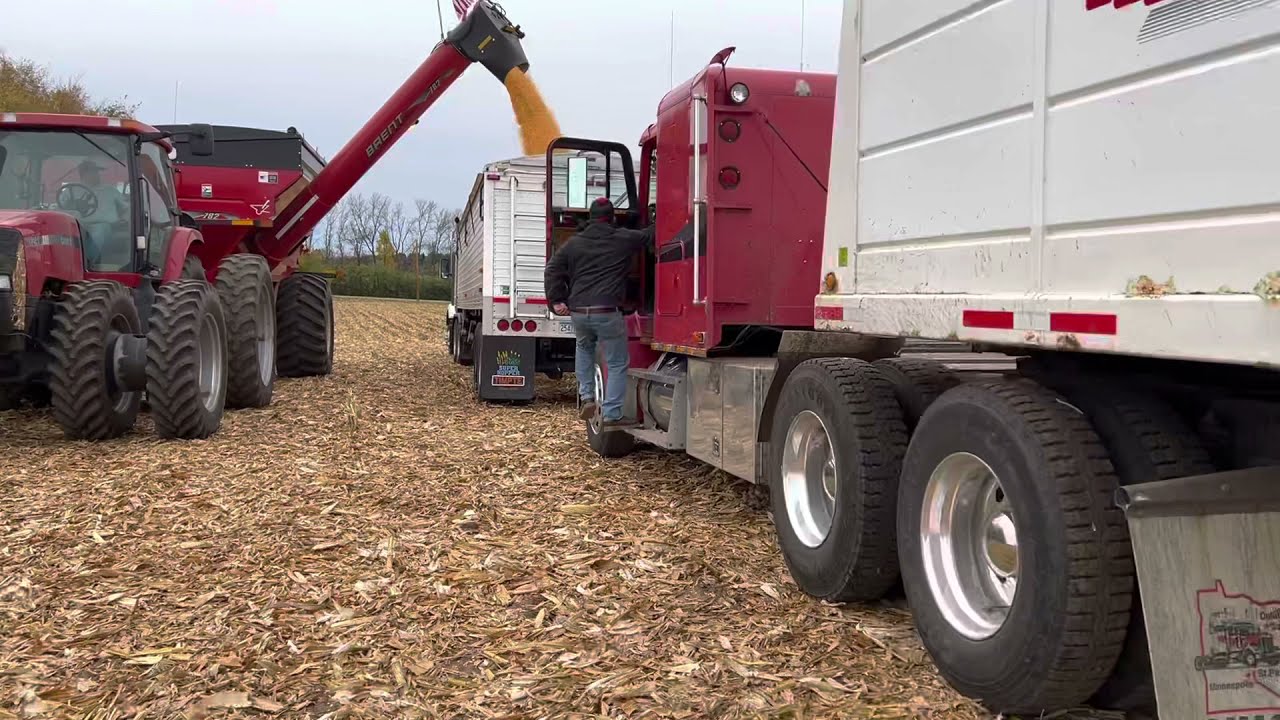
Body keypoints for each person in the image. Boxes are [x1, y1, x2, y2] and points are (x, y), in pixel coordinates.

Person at [544, 197, 654, 429]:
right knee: (616, 362)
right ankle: (612, 414)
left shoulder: (574, 243)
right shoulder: (622, 238)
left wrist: (556, 300)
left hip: (579, 312)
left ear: (591, 218)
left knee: (584, 348)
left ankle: (586, 397)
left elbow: (552, 268)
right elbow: (649, 236)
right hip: (606, 311)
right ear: (612, 218)